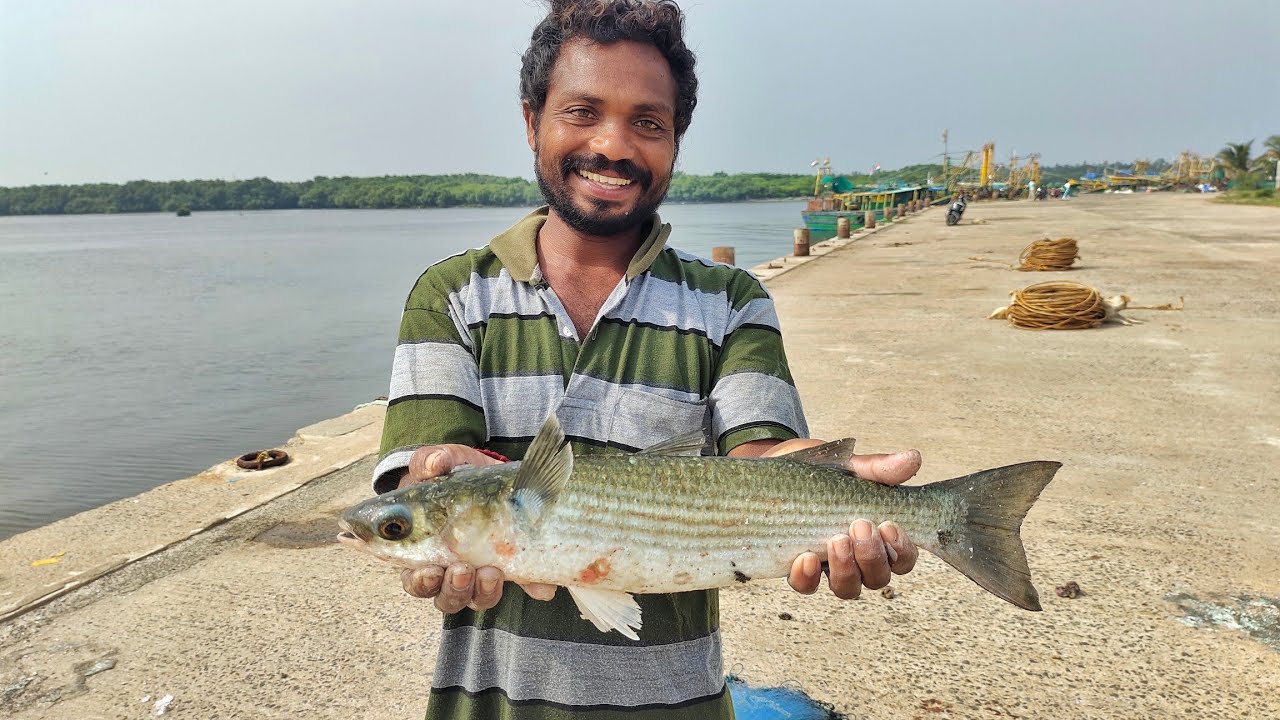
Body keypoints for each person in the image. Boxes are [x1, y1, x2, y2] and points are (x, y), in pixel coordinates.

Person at [373, 1, 921, 717]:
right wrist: (430, 475)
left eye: (648, 122)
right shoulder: (452, 294)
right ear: (531, 118)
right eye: (581, 111)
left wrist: (828, 485)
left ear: (675, 140)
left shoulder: (731, 300)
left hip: (680, 700)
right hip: (488, 700)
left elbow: (759, 452)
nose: (613, 145)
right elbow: (425, 462)